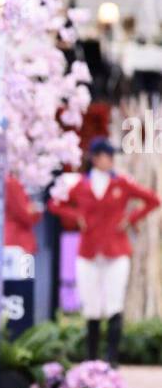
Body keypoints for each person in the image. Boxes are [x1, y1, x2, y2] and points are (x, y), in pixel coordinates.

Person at [48, 137, 160, 364]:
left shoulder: (121, 183)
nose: (109, 160)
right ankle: (91, 358)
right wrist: (76, 217)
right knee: (91, 305)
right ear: (95, 158)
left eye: (111, 156)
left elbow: (152, 200)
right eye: (106, 156)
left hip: (116, 251)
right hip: (88, 252)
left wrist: (130, 218)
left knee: (114, 302)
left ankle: (112, 357)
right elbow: (55, 204)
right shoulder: (80, 185)